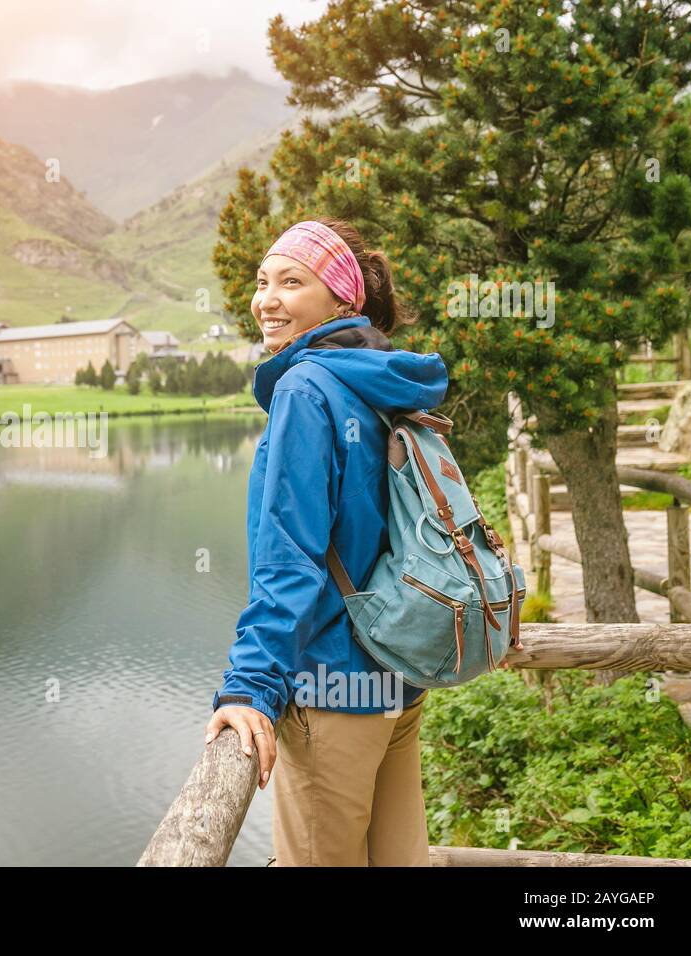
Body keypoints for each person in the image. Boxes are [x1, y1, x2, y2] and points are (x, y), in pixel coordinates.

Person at [203, 218, 450, 866]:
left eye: (292, 281)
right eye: (262, 283)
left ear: (342, 299)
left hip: (334, 691)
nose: (267, 299)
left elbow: (289, 558)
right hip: (397, 681)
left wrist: (248, 688)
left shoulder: (306, 388)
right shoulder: (377, 380)